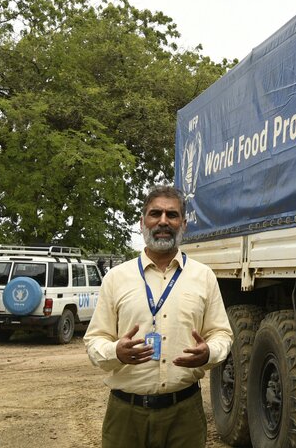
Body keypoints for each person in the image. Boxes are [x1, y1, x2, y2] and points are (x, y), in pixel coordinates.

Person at [84, 185, 233, 448]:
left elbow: (222, 333)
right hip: (126, 415)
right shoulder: (116, 278)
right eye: (155, 214)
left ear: (183, 224)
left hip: (184, 413)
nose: (163, 221)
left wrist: (209, 352)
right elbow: (95, 339)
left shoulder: (203, 277)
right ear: (142, 222)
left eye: (172, 215)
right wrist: (115, 351)